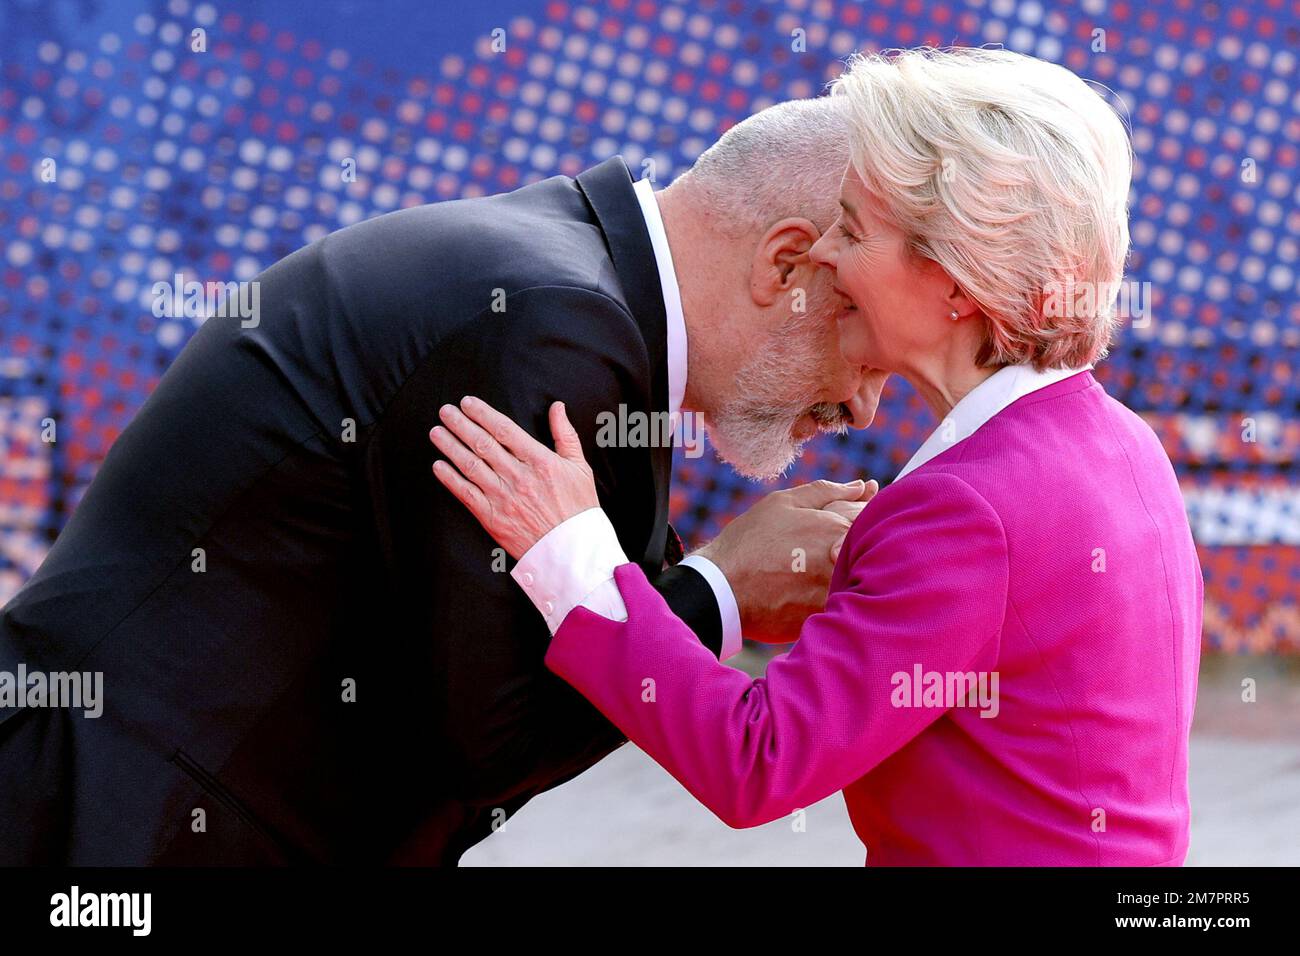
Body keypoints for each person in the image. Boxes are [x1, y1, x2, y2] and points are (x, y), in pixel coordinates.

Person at [0, 99, 885, 864]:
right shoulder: (551, 319)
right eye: (870, 353)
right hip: (116, 833)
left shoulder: (564, 284)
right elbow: (492, 738)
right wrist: (721, 590)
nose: (867, 405)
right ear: (786, 266)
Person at [431, 47, 1204, 865]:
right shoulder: (1120, 444)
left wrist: (572, 552)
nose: (827, 253)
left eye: (857, 228)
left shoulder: (968, 512)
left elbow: (757, 762)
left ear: (953, 283)